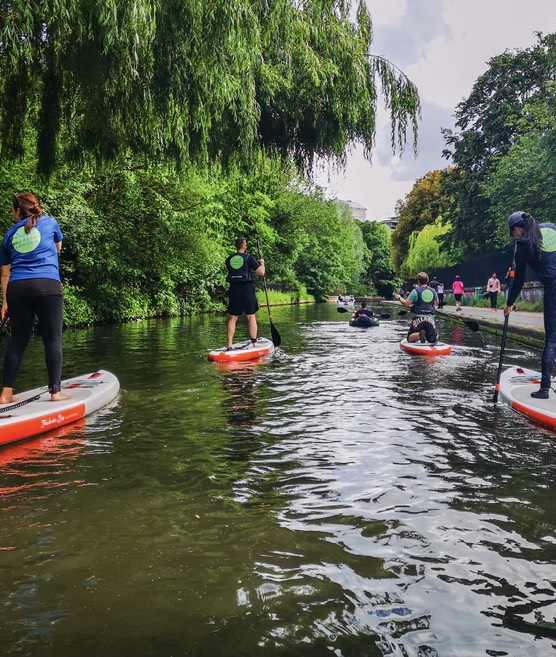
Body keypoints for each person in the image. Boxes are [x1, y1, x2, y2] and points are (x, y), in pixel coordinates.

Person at [0, 193, 69, 403]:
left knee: (18, 340)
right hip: (47, 285)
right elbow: (58, 248)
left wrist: (5, 302)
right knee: (52, 338)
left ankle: (5, 393)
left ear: (16, 211)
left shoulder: (9, 235)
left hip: (17, 288)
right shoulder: (50, 222)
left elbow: (5, 272)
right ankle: (55, 392)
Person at [505, 211, 556, 399]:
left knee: (551, 340)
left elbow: (518, 281)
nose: (514, 237)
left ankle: (544, 389)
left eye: (513, 233)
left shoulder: (522, 245)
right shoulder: (551, 227)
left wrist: (509, 303)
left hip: (553, 288)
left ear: (517, 229)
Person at [225, 236, 265, 349]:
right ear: (245, 246)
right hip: (247, 290)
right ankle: (254, 342)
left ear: (236, 246)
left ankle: (229, 344)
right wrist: (262, 264)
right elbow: (261, 273)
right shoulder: (249, 258)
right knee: (251, 317)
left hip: (234, 290)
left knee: (233, 317)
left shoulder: (229, 259)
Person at [394, 272, 438, 344]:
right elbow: (436, 303)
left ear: (418, 281)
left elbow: (406, 304)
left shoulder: (415, 291)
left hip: (418, 319)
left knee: (409, 338)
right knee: (431, 338)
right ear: (427, 280)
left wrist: (399, 298)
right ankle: (432, 336)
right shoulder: (433, 291)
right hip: (430, 319)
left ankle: (420, 335)